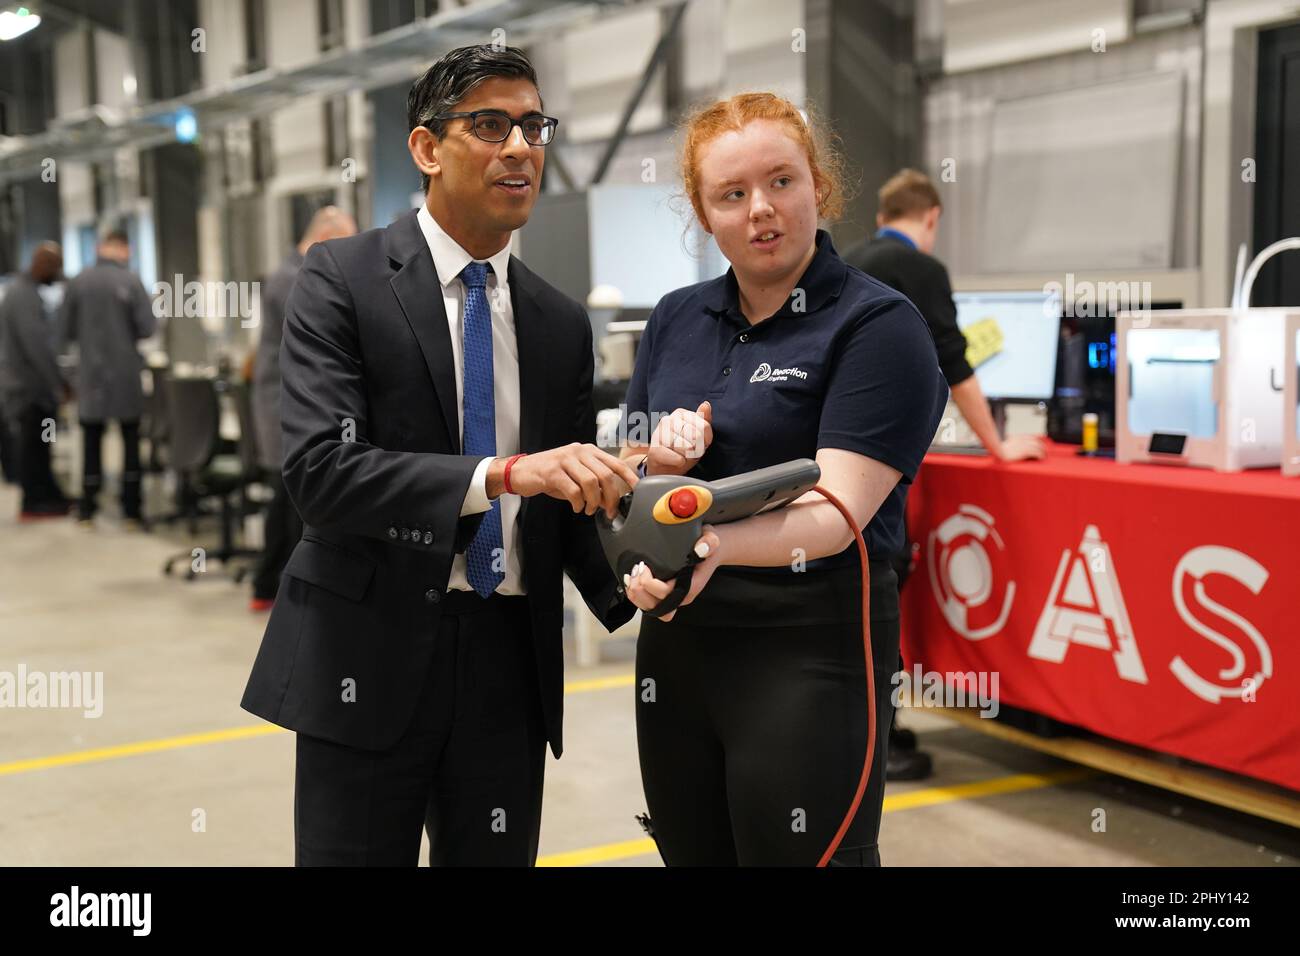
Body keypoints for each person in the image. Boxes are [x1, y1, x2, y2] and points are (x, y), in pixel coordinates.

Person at [241, 44, 639, 867]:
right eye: (489, 125)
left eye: (532, 126)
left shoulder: (559, 322)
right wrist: (502, 475)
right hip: (368, 652)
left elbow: (564, 514)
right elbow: (321, 471)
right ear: (426, 147)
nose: (519, 148)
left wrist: (648, 551)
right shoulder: (342, 278)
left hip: (507, 662)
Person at [619, 93, 947, 866]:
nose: (760, 209)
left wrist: (707, 547)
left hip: (810, 641)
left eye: (781, 182)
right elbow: (630, 472)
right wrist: (659, 463)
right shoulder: (676, 318)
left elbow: (837, 510)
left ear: (818, 186)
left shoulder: (877, 324)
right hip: (678, 641)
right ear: (705, 215)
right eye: (732, 194)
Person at [844, 169, 1045, 781]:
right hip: (881, 463)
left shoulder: (847, 261)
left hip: (837, 453)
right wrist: (998, 445)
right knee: (880, 584)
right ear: (930, 218)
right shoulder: (922, 269)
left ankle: (864, 730)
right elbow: (955, 364)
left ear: (884, 215)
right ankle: (877, 740)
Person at [249, 206, 358, 612]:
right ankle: (283, 591)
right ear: (326, 238)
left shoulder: (294, 273)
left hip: (288, 401)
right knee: (293, 501)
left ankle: (270, 587)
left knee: (287, 501)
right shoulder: (295, 278)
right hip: (283, 404)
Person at [59, 229, 157, 528]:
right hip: (125, 374)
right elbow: (147, 328)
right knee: (130, 441)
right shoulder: (131, 281)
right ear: (124, 249)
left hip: (90, 375)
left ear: (100, 248)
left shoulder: (78, 282)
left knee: (91, 440)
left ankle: (88, 508)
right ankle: (131, 510)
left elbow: (65, 329)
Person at [0, 243, 72, 520]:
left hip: (33, 388)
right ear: (45, 265)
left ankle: (49, 495)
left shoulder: (23, 291)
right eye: (56, 268)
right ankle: (33, 501)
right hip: (28, 391)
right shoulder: (23, 296)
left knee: (43, 441)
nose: (57, 275)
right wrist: (58, 382)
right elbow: (37, 347)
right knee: (35, 446)